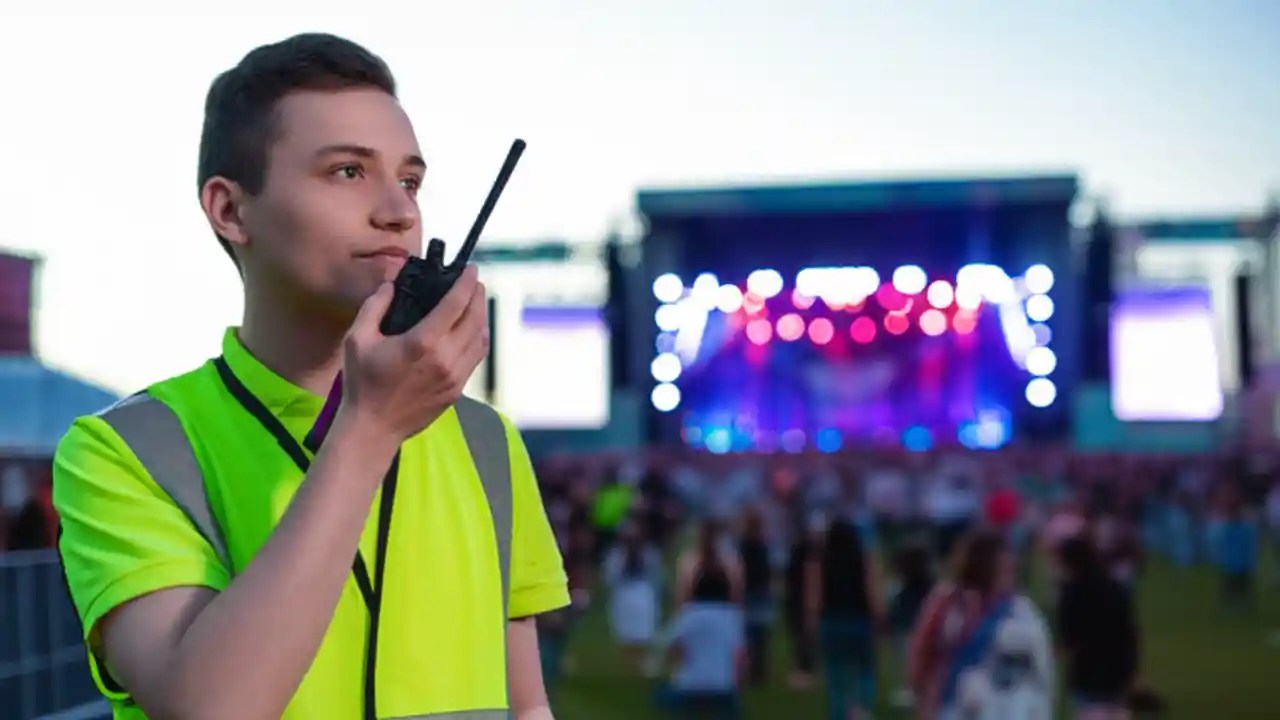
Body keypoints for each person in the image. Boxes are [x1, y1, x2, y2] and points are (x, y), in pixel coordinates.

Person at [52, 34, 568, 720]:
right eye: (348, 172)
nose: (400, 211)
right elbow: (210, 708)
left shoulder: (485, 442)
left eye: (410, 180)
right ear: (230, 210)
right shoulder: (124, 453)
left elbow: (527, 708)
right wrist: (370, 427)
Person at [909, 530, 1054, 720]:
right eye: (1004, 565)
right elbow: (923, 654)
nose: (1011, 570)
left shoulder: (1021, 611)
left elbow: (1039, 664)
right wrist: (925, 701)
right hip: (955, 706)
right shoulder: (948, 602)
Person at [647, 552, 746, 720]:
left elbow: (670, 649)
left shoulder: (687, 615)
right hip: (721, 687)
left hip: (689, 687)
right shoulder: (732, 617)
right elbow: (740, 657)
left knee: (658, 696)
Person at [805, 517, 883, 720]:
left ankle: (839, 715)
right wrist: (879, 617)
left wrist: (811, 624)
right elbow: (872, 591)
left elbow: (815, 597)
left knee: (836, 679)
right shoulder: (864, 557)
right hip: (859, 620)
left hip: (832, 622)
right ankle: (863, 711)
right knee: (865, 670)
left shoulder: (819, 560)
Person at [1056, 536, 1139, 720]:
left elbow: (1069, 635)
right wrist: (1133, 669)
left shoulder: (1071, 593)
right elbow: (1129, 631)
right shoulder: (1115, 588)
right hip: (1118, 670)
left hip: (1087, 672)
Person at [603, 522, 664, 671]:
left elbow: (656, 575)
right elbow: (609, 576)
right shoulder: (616, 555)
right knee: (625, 631)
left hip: (643, 591)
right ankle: (631, 664)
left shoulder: (649, 554)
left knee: (645, 628)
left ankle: (645, 661)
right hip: (623, 593)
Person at [738, 507, 775, 686]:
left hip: (749, 593)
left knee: (748, 636)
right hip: (761, 593)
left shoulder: (743, 546)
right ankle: (759, 672)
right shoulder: (763, 546)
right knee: (760, 636)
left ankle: (748, 671)